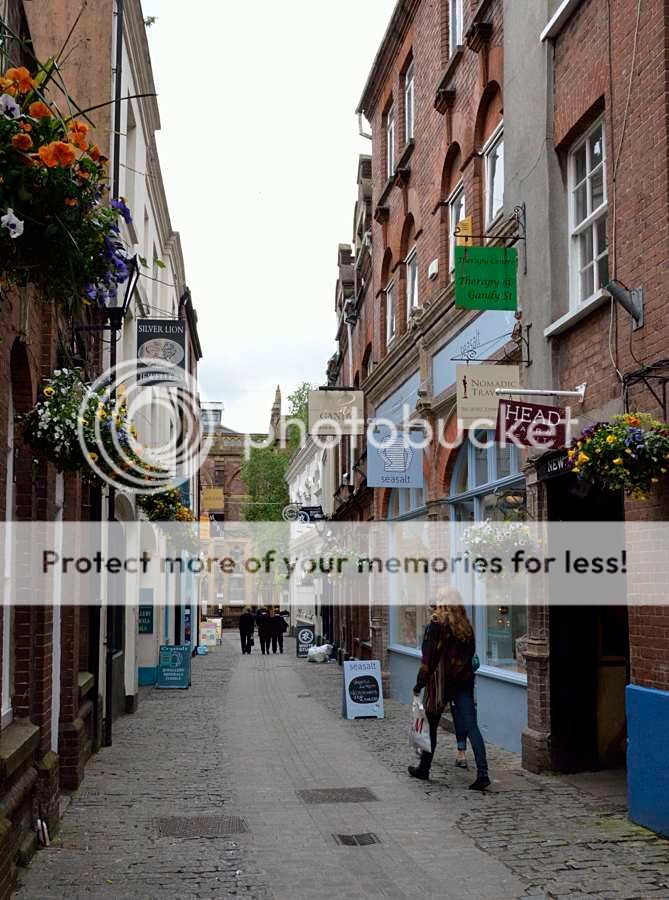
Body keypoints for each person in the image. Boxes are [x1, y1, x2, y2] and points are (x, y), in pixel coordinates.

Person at [410, 586, 490, 790]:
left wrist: (420, 683)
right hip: (463, 682)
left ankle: (424, 769)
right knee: (472, 726)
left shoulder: (436, 625)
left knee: (432, 726)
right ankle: (482, 773)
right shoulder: (466, 627)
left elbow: (429, 658)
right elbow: (470, 656)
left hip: (441, 683)